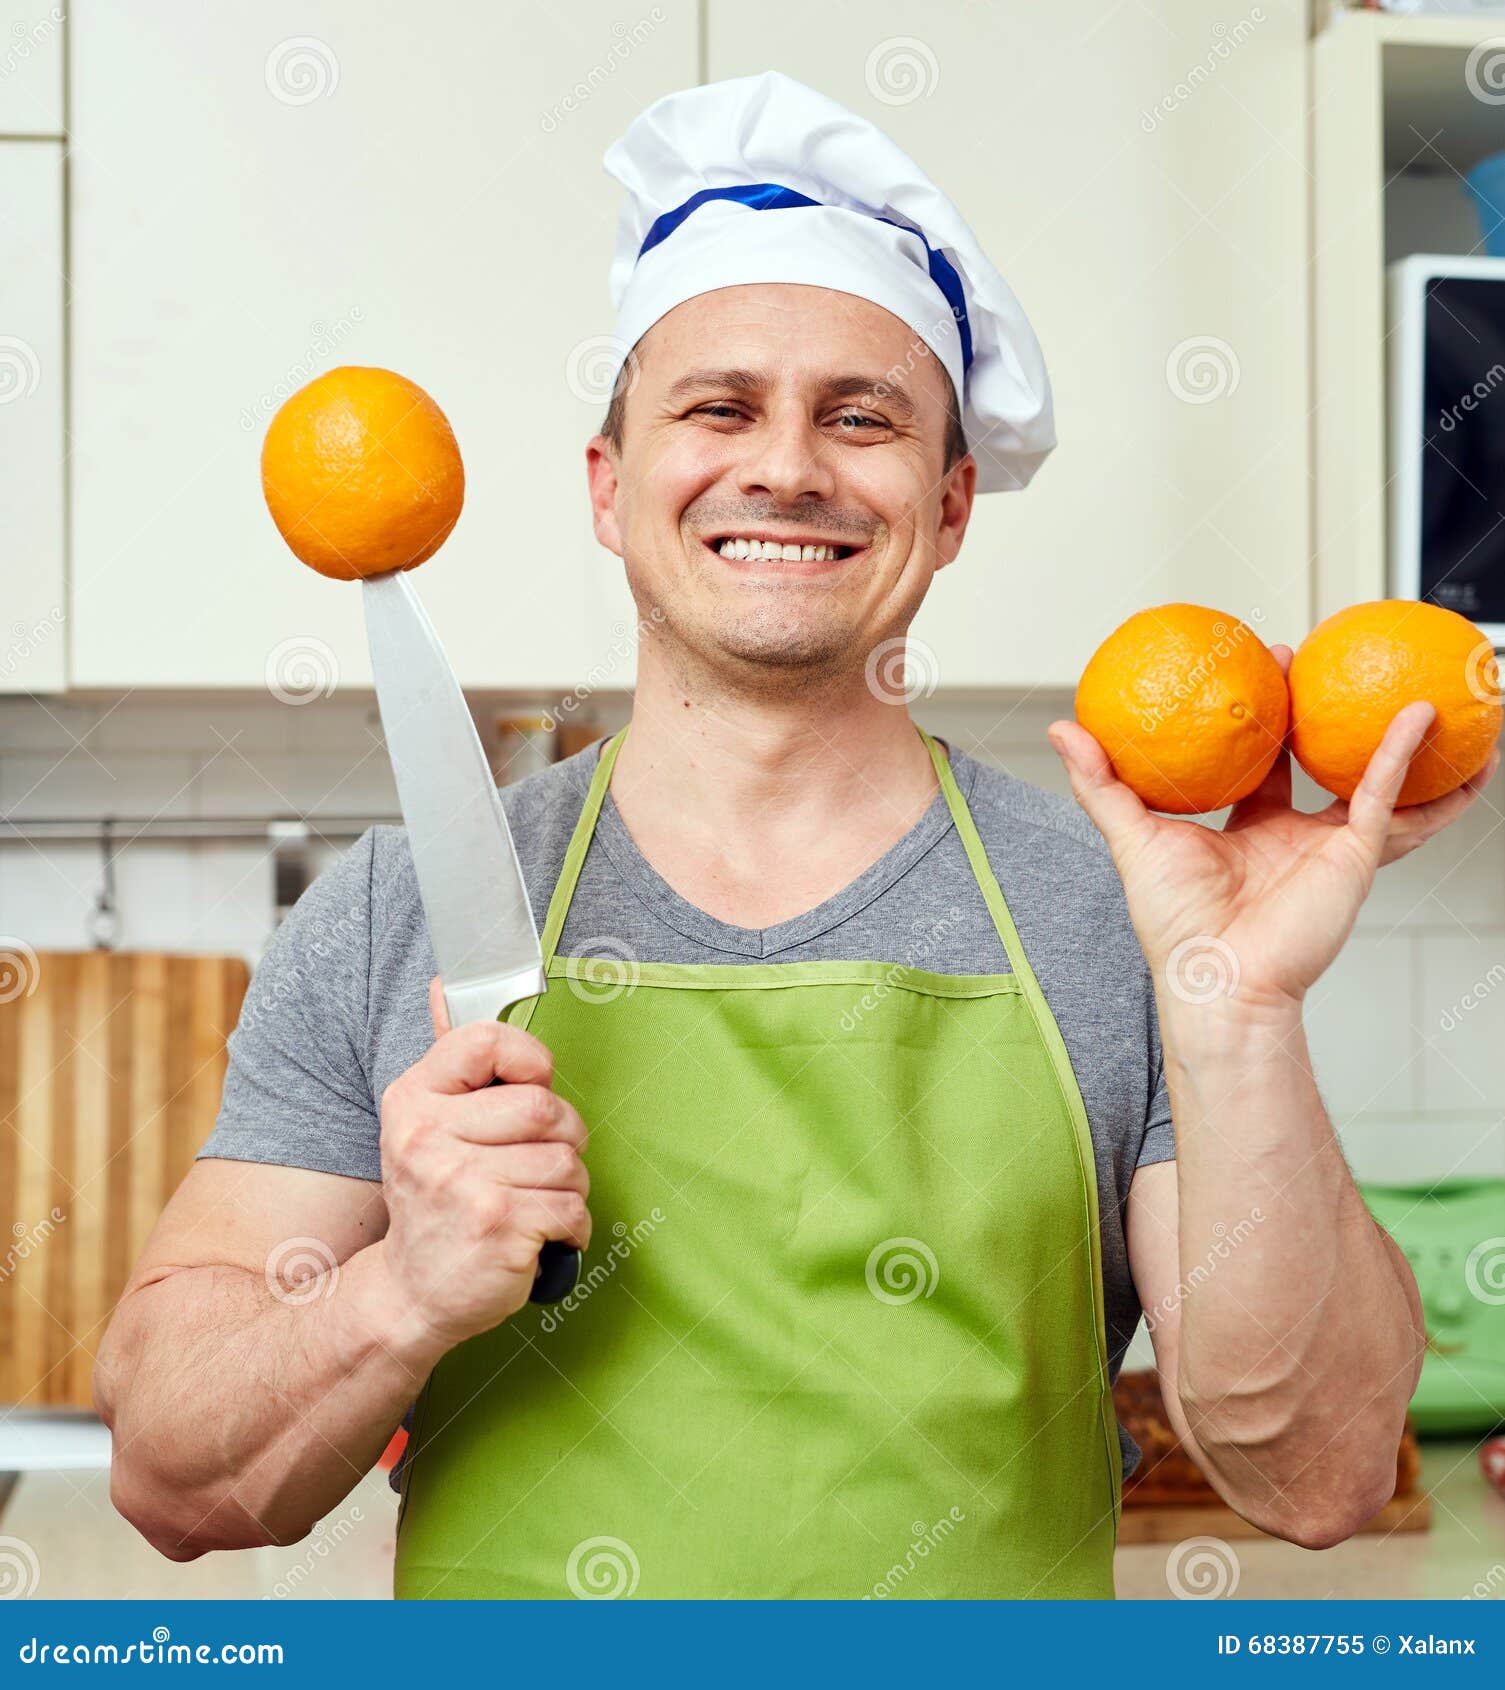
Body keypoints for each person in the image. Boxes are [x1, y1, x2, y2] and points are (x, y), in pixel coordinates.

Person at [94, 72, 1492, 1599]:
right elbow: (171, 1477)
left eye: (860, 416)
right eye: (717, 405)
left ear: (950, 501)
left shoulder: (1120, 914)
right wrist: (397, 1295)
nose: (784, 466)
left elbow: (1323, 1475)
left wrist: (1240, 1011)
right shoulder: (394, 906)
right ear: (609, 488)